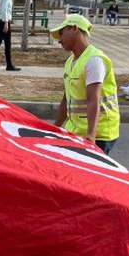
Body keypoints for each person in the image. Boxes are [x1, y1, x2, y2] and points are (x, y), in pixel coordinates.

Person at [49, 14, 120, 154]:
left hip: (99, 134)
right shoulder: (70, 62)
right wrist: (54, 128)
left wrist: (91, 136)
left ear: (74, 29)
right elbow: (66, 99)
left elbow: (94, 99)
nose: (59, 40)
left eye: (61, 34)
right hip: (76, 130)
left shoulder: (94, 60)